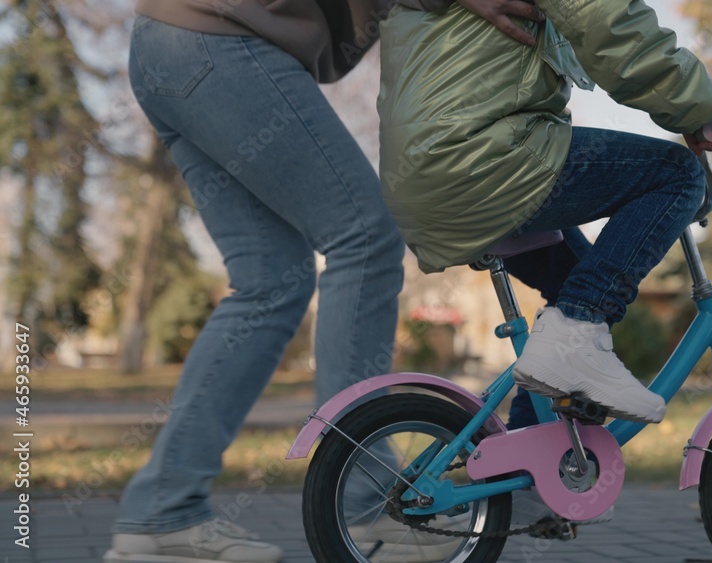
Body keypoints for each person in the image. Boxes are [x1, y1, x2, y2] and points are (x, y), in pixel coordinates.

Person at [105, 1, 545, 562]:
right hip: (220, 38)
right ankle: (364, 504)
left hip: (177, 45)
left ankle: (162, 516)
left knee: (272, 281)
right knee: (364, 238)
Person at [378, 0, 712, 425]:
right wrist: (699, 107)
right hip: (479, 158)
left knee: (572, 285)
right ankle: (579, 332)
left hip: (428, 176)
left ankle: (529, 464)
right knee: (676, 174)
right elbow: (608, 24)